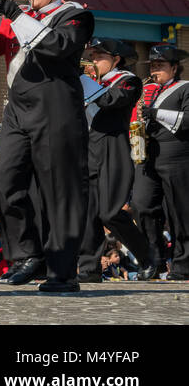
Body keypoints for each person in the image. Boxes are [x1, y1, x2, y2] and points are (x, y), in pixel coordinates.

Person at [0, 0, 94, 293]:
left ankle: (62, 272)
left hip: (56, 105)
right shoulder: (25, 17)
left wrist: (16, 15)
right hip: (18, 106)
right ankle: (29, 254)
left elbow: (56, 46)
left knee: (60, 190)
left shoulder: (75, 14)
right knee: (1, 180)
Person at [76, 39, 156, 281]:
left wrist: (83, 80)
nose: (93, 61)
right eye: (92, 56)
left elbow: (110, 100)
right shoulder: (91, 82)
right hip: (90, 146)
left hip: (114, 145)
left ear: (116, 59)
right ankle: (89, 269)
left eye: (99, 56)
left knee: (110, 212)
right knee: (89, 212)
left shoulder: (127, 81)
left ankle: (147, 256)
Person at [132, 43, 189, 280]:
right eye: (152, 66)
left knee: (179, 212)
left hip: (177, 156)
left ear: (174, 68)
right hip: (148, 156)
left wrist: (156, 113)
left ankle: (183, 265)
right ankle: (153, 260)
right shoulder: (148, 90)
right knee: (141, 205)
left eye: (160, 66)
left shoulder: (185, 88)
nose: (154, 71)